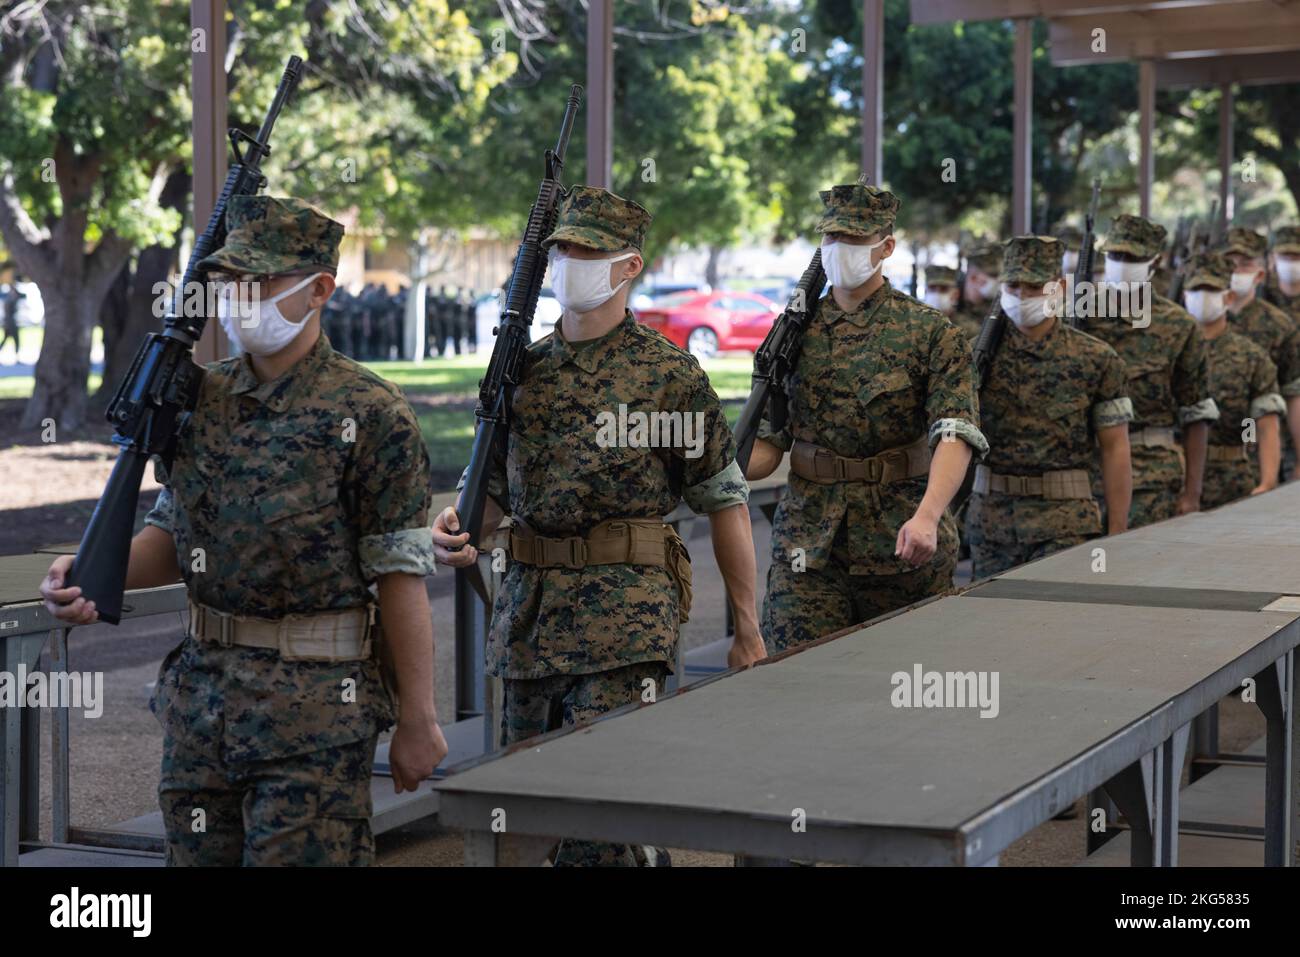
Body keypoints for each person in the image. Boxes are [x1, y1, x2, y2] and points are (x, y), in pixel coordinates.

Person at [39, 196, 447, 866]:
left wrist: (418, 718)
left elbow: (400, 576)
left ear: (320, 289)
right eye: (231, 282)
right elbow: (174, 534)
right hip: (201, 708)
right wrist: (85, 570)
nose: (239, 298)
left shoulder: (371, 414)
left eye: (261, 282)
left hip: (313, 720)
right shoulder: (200, 399)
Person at [433, 185, 765, 867]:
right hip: (528, 616)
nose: (570, 264)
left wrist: (748, 629)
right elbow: (491, 495)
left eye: (588, 251)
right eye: (562, 250)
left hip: (627, 617)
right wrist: (458, 525)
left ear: (628, 266)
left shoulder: (668, 375)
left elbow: (724, 498)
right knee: (520, 814)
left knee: (600, 824)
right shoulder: (519, 373)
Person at [744, 183, 987, 652]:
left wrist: (928, 516)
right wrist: (713, 464)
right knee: (796, 687)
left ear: (886, 247)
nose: (840, 250)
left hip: (901, 543)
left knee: (900, 695)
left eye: (855, 240)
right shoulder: (794, 333)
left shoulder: (931, 333)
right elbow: (769, 446)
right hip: (807, 549)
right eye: (832, 239)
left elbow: (955, 433)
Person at [965, 235, 1133, 578]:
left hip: (1065, 522)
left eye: (1034, 286)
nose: (1023, 296)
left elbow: (1115, 447)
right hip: (990, 522)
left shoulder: (1095, 358)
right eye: (1014, 285)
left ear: (1057, 286)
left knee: (1057, 625)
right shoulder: (973, 356)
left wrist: (1117, 530)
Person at [1084, 214, 1217, 526]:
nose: (1123, 264)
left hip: (1150, 476)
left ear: (1154, 262)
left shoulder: (1178, 326)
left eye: (1133, 258)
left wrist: (1192, 493)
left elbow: (1196, 412)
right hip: (1083, 476)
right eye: (1116, 256)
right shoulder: (1077, 315)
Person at [1182, 251, 1284, 508]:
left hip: (1231, 479)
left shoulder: (1250, 356)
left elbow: (1265, 423)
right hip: (1175, 478)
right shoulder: (1171, 349)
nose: (1202, 297)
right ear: (1185, 296)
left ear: (1228, 297)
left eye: (1211, 290)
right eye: (1197, 290)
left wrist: (1267, 483)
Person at [1217, 226, 1300, 480]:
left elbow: (1293, 393)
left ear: (1261, 270)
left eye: (1246, 263)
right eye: (1230, 263)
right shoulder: (1201, 320)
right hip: (1207, 453)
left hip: (1262, 445)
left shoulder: (1277, 324)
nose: (1237, 270)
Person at [952, 240, 1002, 339]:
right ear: (973, 278)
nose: (999, 280)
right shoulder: (951, 305)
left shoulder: (996, 305)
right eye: (993, 275)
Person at [1263, 224, 1300, 319]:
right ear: (1272, 258)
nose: (1290, 260)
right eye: (1284, 255)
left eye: (1296, 255)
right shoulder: (1262, 295)